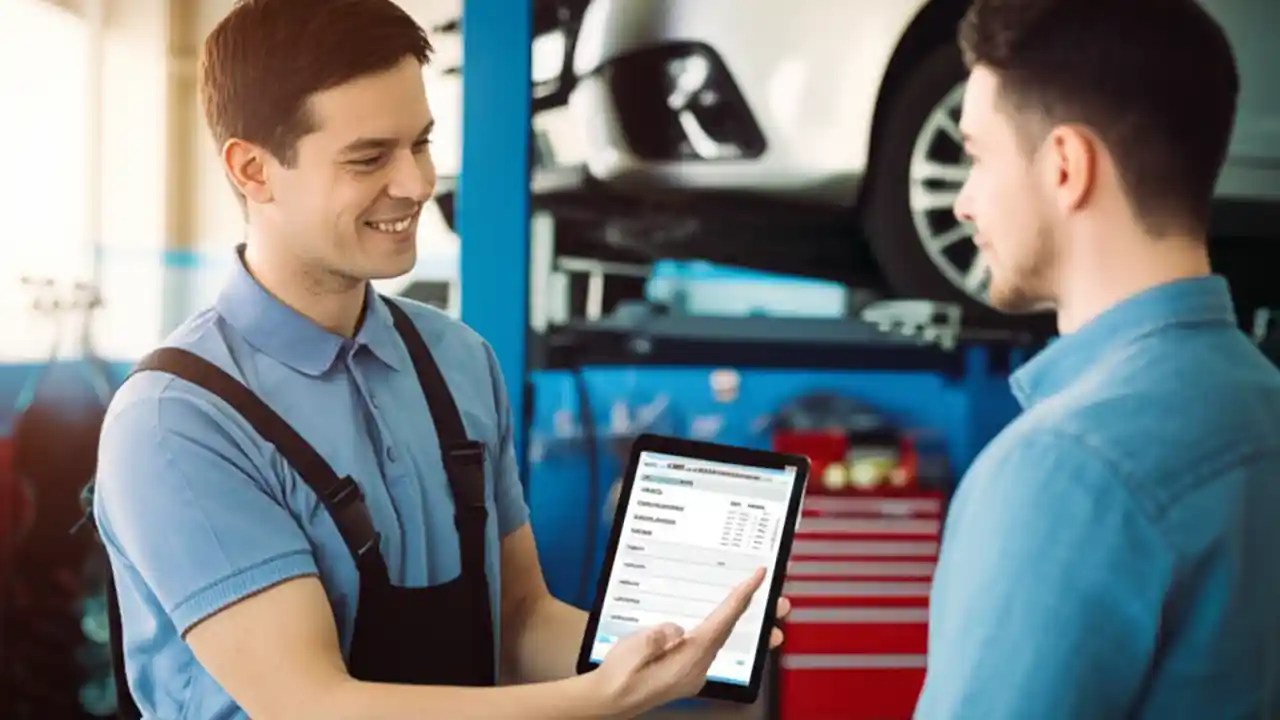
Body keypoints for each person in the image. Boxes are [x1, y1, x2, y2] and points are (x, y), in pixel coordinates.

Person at [91, 1, 788, 718]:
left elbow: (517, 621)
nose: (418, 184)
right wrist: (600, 698)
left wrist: (675, 647)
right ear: (253, 169)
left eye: (420, 144)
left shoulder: (457, 360)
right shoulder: (175, 422)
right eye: (369, 158)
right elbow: (314, 705)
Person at [916, 0, 1280, 717]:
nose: (961, 202)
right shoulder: (1263, 404)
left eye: (977, 156)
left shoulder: (1065, 469)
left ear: (1065, 166)